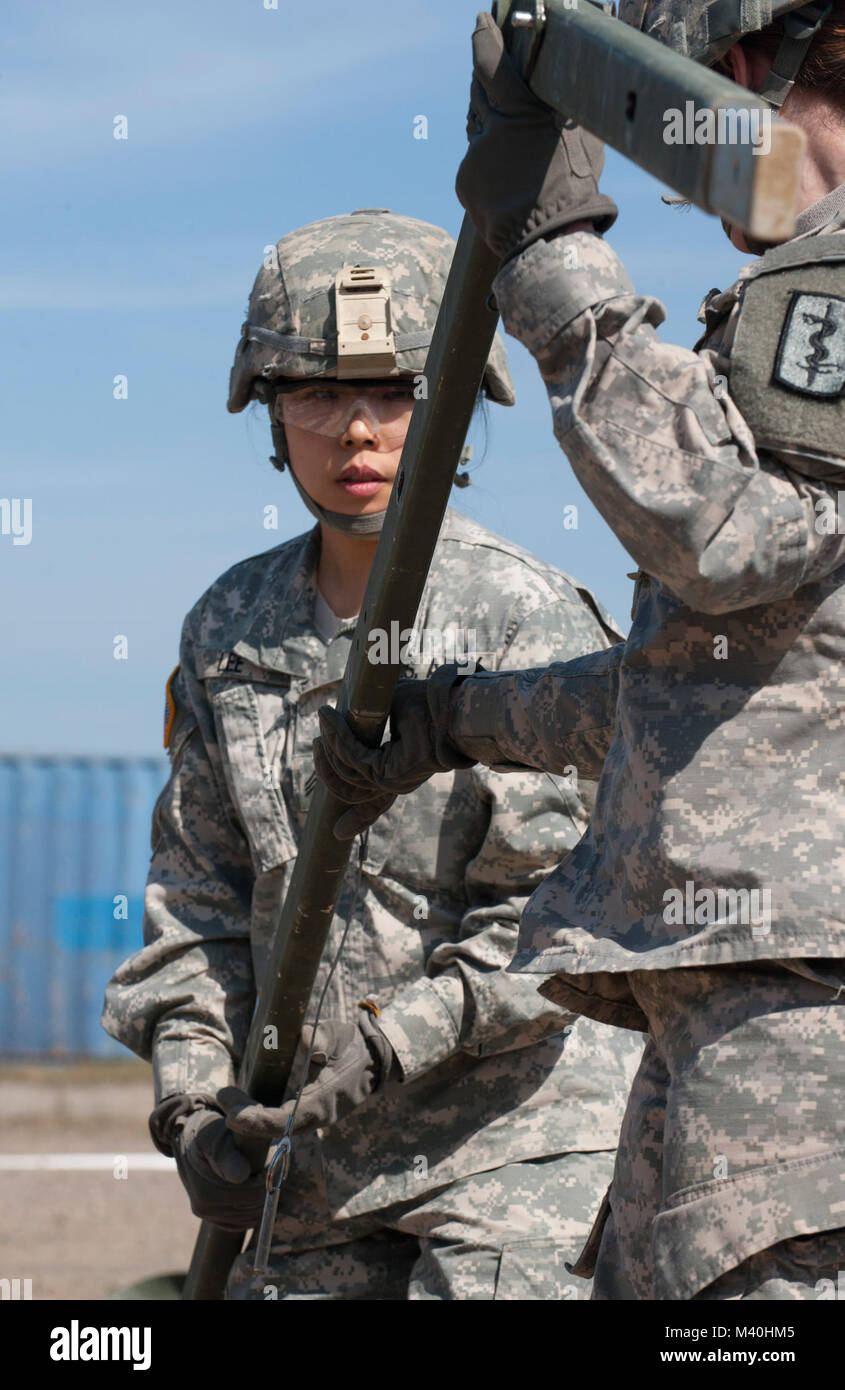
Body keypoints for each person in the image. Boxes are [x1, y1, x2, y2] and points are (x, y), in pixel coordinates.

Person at [315, 9, 845, 1301]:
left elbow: (714, 528)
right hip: (735, 1020)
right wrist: (458, 720)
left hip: (802, 1038)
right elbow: (699, 687)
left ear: (725, 76)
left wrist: (548, 250)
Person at [101, 207, 643, 1301]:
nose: (356, 431)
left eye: (393, 394)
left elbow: (566, 914)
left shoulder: (525, 618)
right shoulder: (229, 629)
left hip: (515, 1155)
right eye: (315, 392)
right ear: (266, 409)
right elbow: (198, 902)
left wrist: (398, 1040)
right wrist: (196, 1102)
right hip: (307, 1171)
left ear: (448, 407)